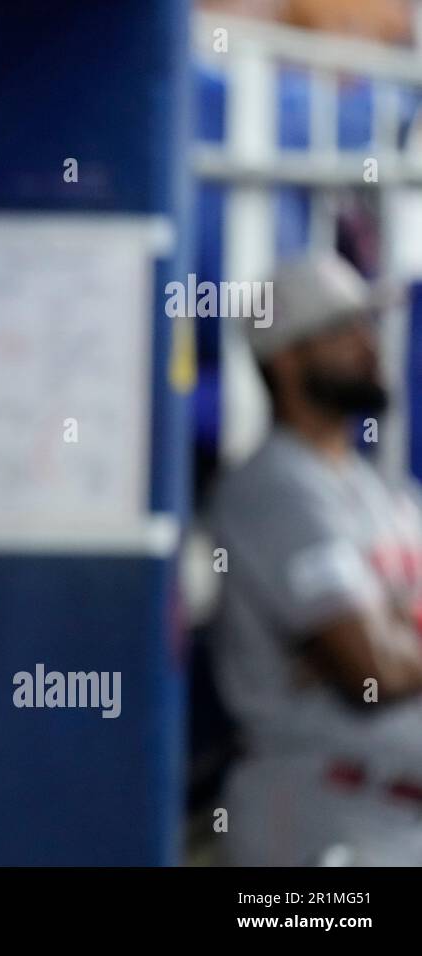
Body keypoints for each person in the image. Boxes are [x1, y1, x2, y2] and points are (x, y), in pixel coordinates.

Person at [208, 251, 422, 865]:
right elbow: (372, 669)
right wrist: (387, 631)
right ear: (288, 359)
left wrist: (392, 628)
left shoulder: (386, 491)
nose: (367, 342)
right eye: (341, 330)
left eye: (367, 324)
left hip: (393, 825)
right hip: (318, 823)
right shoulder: (275, 486)